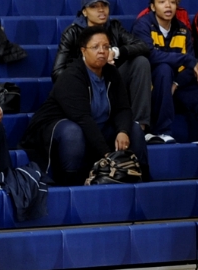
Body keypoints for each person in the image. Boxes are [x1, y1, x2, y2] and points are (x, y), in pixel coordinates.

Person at [20, 29, 147, 185]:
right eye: (95, 47)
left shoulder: (112, 73)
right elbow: (82, 119)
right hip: (56, 129)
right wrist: (108, 156)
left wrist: (123, 131)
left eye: (106, 47)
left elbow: (123, 108)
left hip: (94, 127)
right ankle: (70, 183)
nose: (102, 51)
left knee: (133, 128)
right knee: (72, 132)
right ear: (83, 51)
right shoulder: (71, 76)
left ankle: (142, 179)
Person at [53, 0, 152, 132]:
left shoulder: (114, 27)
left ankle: (139, 127)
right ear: (84, 12)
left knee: (141, 62)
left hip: (113, 81)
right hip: (86, 84)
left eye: (104, 5)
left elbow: (144, 46)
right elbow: (57, 72)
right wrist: (88, 67)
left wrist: (114, 52)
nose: (101, 10)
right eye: (94, 6)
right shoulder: (72, 32)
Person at [132, 0, 198, 144]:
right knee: (163, 69)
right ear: (153, 6)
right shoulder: (143, 25)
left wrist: (176, 83)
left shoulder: (183, 30)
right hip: (151, 91)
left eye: (172, 2)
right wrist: (186, 60)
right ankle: (161, 131)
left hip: (175, 88)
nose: (168, 6)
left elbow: (191, 66)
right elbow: (150, 55)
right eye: (162, 2)